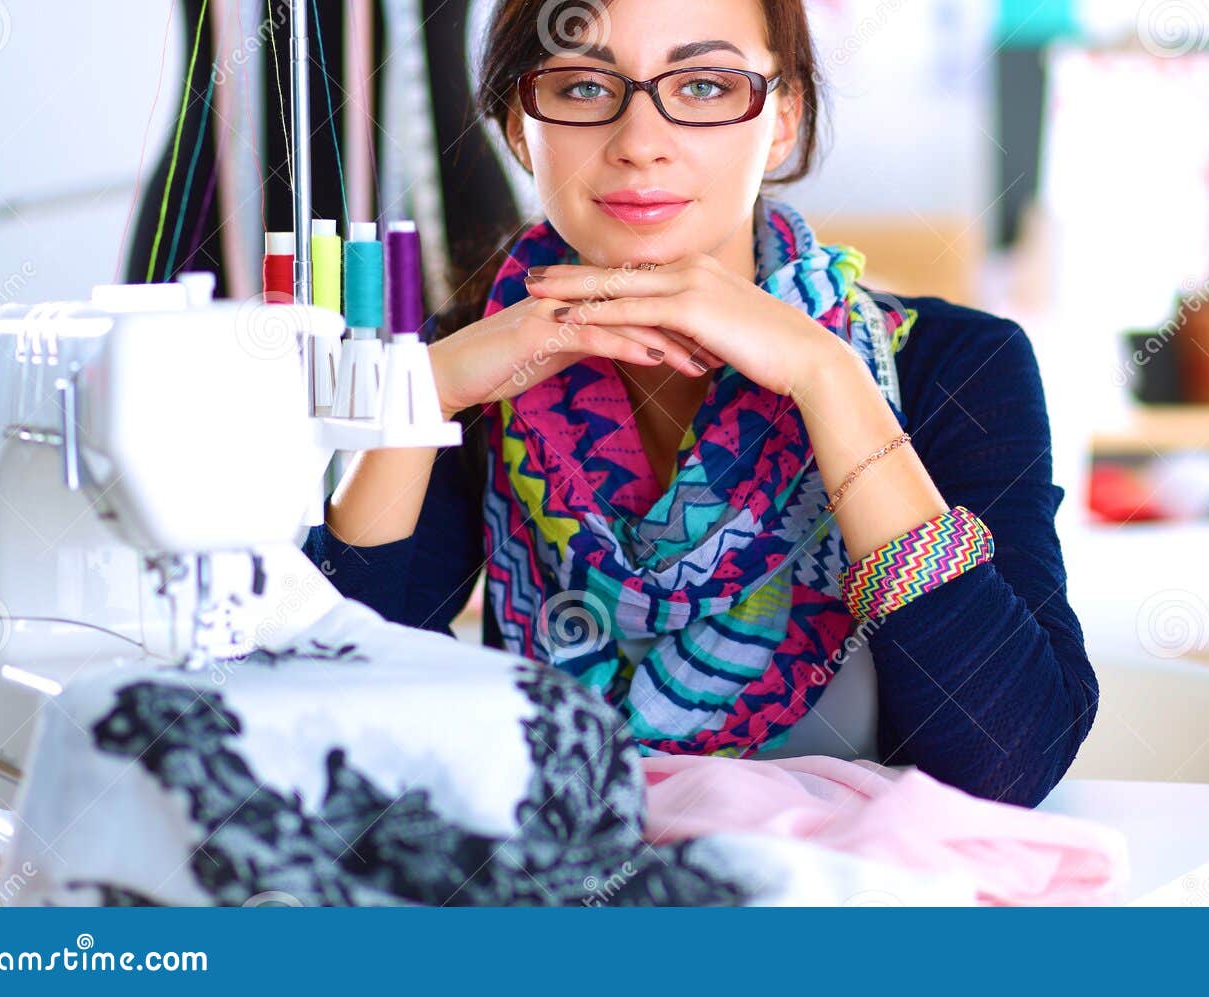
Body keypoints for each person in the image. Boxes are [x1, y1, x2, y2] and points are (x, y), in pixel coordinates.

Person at [308, 0, 1097, 806]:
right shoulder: (474, 360)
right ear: (519, 127)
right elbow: (320, 718)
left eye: (706, 86)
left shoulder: (955, 363)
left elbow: (1008, 761)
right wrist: (426, 391)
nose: (640, 144)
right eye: (582, 87)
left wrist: (828, 379)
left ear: (783, 118)